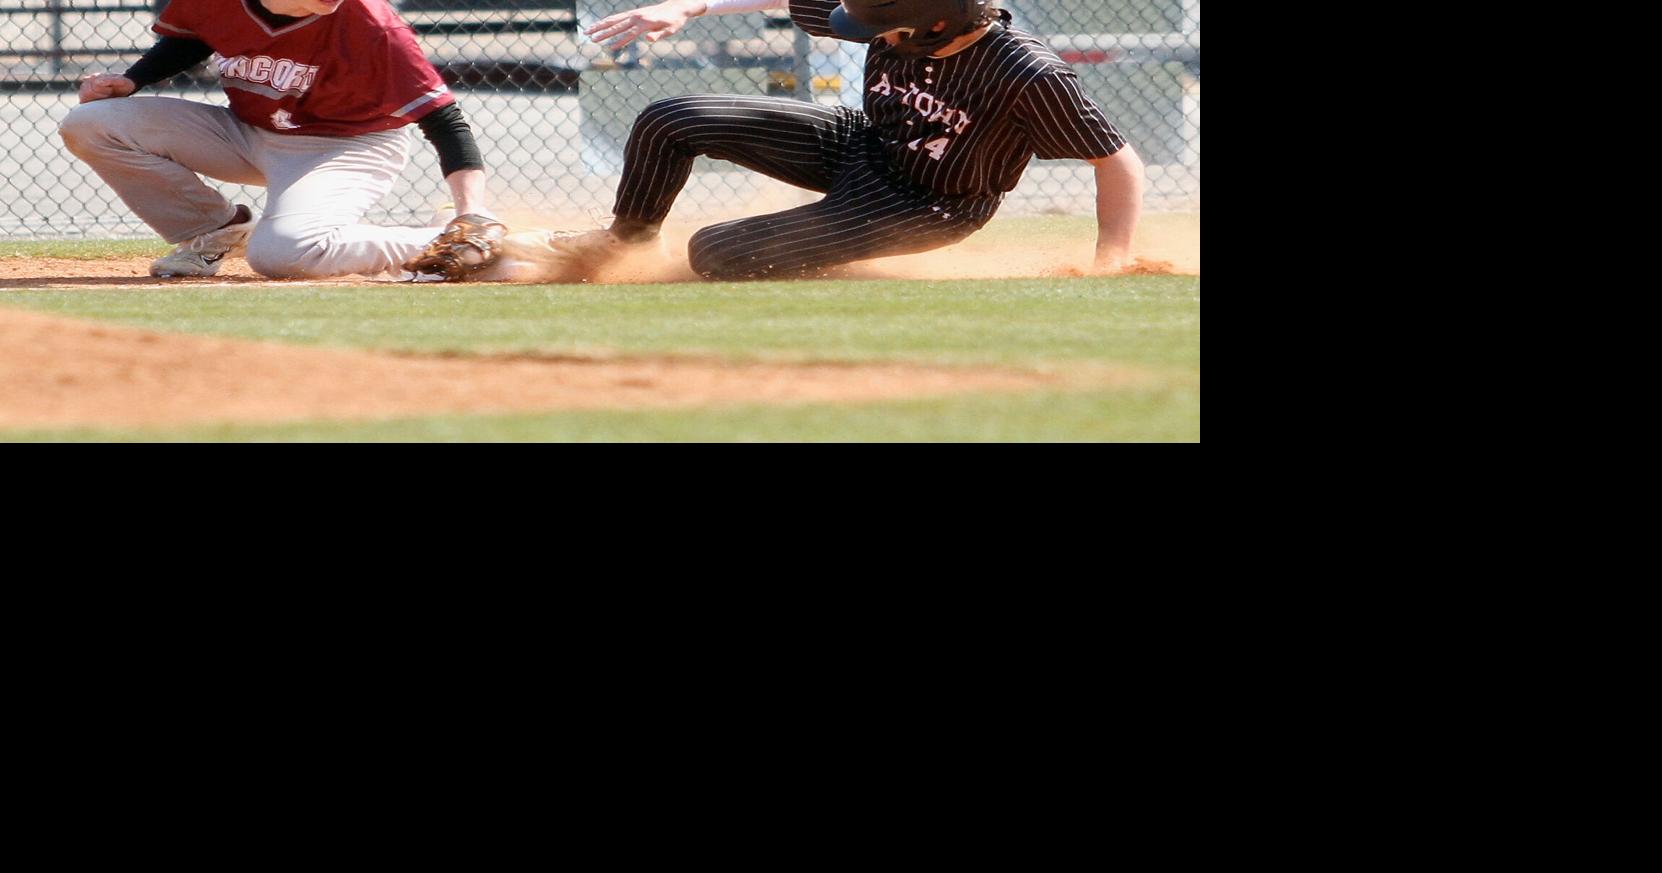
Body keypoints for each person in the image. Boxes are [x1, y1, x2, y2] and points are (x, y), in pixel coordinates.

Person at [514, 0, 1143, 282]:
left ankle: (832, 248)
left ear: (936, 25)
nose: (867, 34)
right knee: (671, 117)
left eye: (881, 29)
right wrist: (691, 7)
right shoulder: (901, 12)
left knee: (715, 253)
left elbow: (1116, 161)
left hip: (929, 204)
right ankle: (623, 243)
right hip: (864, 144)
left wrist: (1110, 260)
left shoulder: (1026, 74)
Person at [58, 0, 497, 280]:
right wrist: (132, 80)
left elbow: (445, 120)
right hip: (248, 131)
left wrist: (471, 211)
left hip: (346, 147)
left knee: (284, 255)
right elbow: (194, 38)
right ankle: (218, 230)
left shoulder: (372, 24)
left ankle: (461, 242)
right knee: (91, 122)